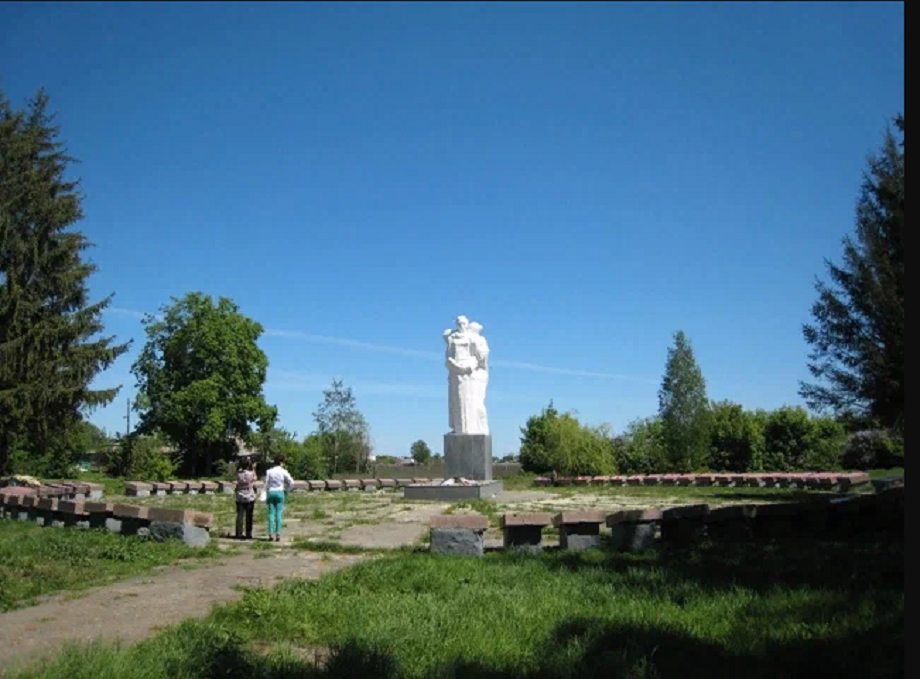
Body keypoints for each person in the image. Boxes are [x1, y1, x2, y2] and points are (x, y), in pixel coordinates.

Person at [263, 454, 294, 542]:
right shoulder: (283, 471)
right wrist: (286, 489)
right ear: (281, 462)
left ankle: (270, 534)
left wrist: (265, 491)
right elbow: (291, 482)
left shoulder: (269, 471)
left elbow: (266, 483)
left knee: (271, 513)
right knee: (279, 513)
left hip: (271, 492)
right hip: (280, 491)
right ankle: (278, 534)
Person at [234, 457, 257, 540]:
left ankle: (239, 533)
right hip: (249, 496)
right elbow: (255, 479)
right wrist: (254, 469)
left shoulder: (239, 474)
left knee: (239, 515)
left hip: (240, 496)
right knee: (249, 516)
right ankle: (248, 533)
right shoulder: (251, 474)